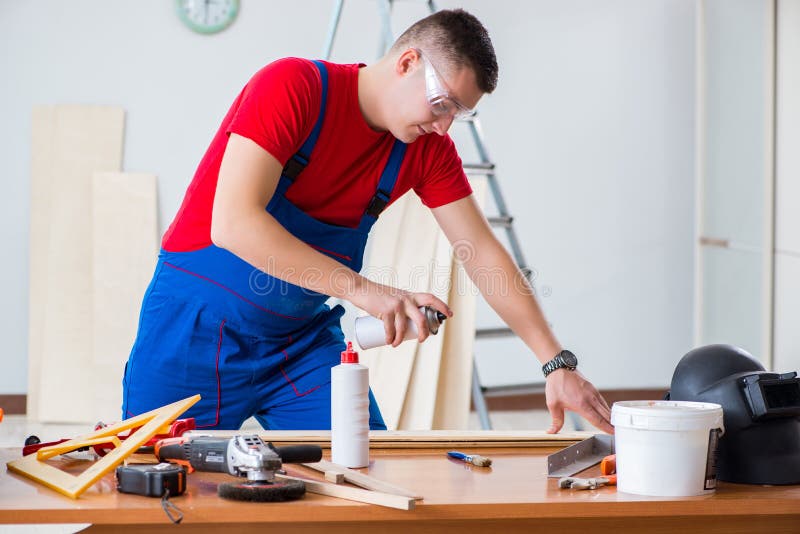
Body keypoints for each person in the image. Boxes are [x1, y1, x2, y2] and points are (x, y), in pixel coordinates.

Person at [121, 8, 613, 434]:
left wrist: (555, 363)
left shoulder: (426, 151)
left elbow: (482, 253)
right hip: (193, 329)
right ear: (407, 63)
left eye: (458, 114)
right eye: (441, 104)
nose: (443, 126)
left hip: (299, 345)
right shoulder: (293, 87)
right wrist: (370, 293)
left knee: (365, 474)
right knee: (156, 483)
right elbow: (232, 222)